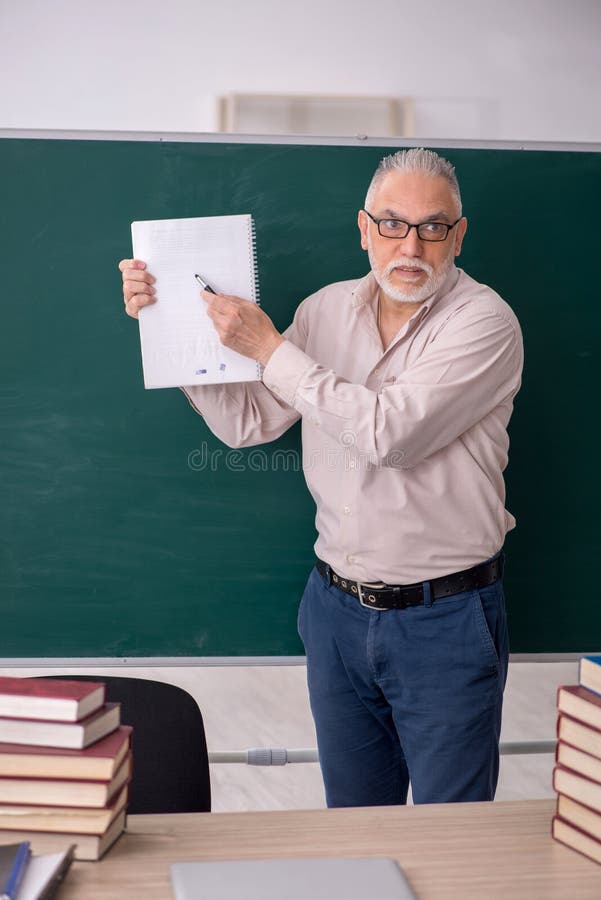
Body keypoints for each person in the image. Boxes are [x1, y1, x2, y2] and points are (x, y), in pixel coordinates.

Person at [119, 148, 523, 807]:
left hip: (444, 618)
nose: (410, 243)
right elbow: (247, 423)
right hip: (334, 611)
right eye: (391, 223)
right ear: (364, 229)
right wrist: (176, 329)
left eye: (432, 225)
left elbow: (390, 434)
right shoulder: (323, 311)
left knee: (454, 830)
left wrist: (270, 349)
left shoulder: (482, 322)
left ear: (458, 234)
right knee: (353, 824)